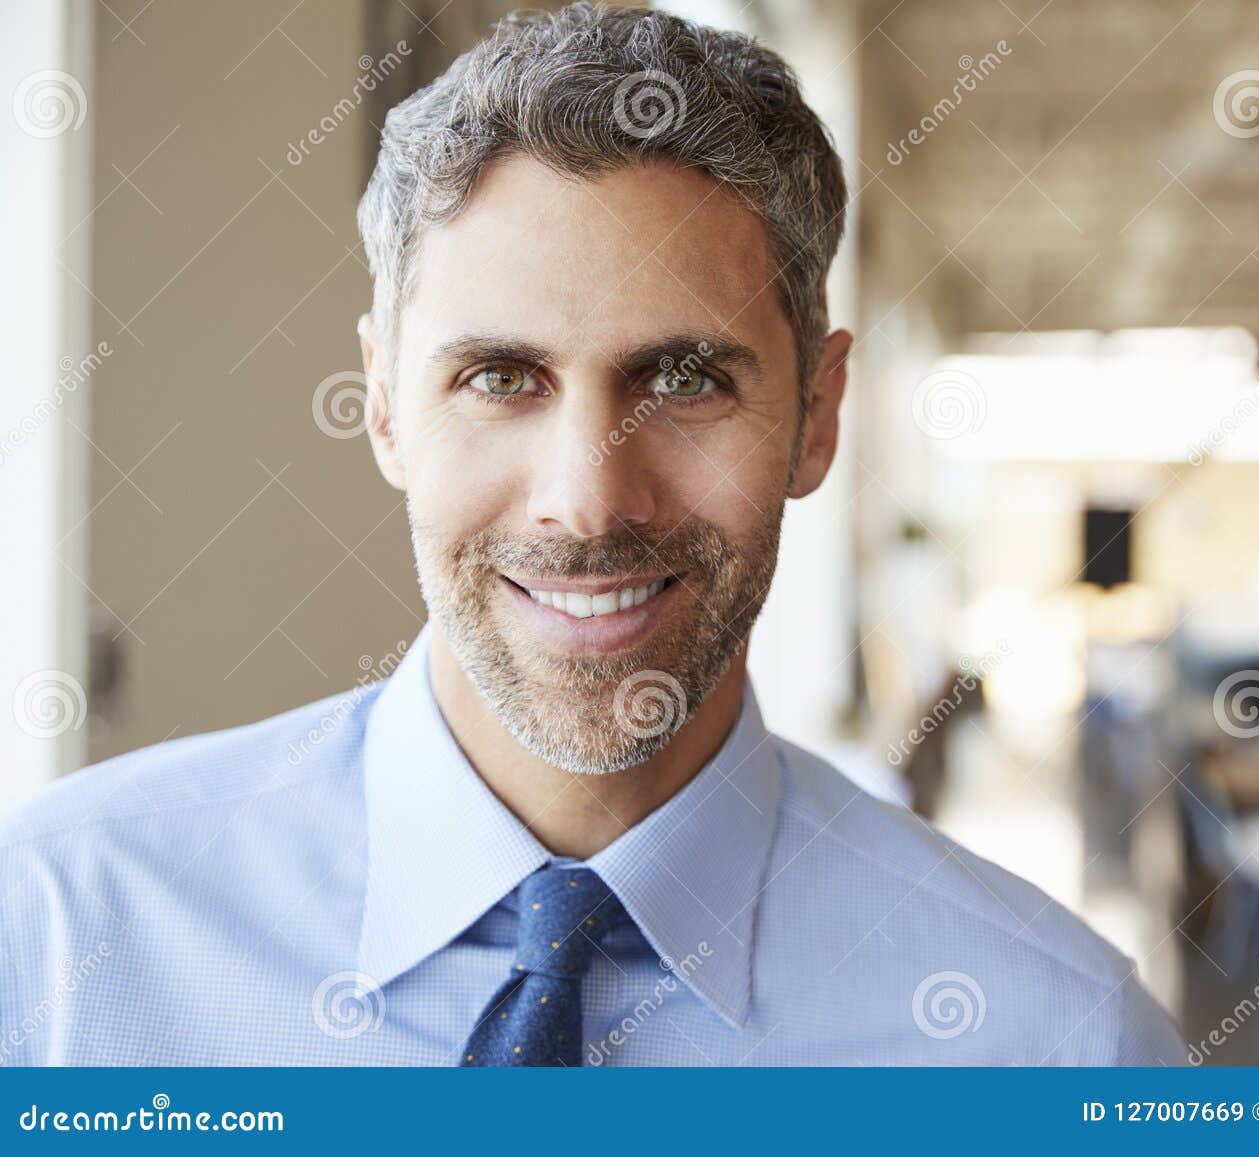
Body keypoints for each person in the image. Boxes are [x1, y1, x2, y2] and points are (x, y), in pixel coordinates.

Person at [0, 2, 1181, 1066]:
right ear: (382, 405)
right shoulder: (56, 938)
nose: (589, 501)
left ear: (816, 416)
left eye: (682, 378)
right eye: (501, 375)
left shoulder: (1053, 1039)